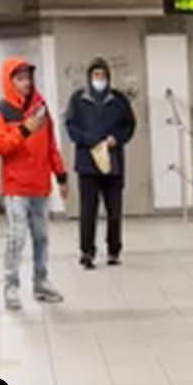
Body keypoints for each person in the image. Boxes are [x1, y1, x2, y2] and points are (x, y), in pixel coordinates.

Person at [0, 57, 70, 310]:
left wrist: (61, 176)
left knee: (42, 237)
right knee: (17, 238)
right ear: (9, 81)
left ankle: (41, 283)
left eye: (28, 78)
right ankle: (11, 288)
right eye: (20, 79)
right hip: (16, 188)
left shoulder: (41, 109)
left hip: (40, 186)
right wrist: (25, 129)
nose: (26, 83)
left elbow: (51, 146)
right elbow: (0, 146)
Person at [64, 57, 137, 269]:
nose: (99, 79)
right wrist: (89, 141)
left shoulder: (119, 100)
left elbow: (129, 126)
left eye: (102, 75)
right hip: (87, 163)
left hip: (113, 163)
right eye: (95, 75)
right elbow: (71, 126)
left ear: (108, 77)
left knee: (114, 210)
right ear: (89, 77)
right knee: (88, 210)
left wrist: (117, 138)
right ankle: (87, 251)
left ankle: (114, 250)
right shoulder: (78, 100)